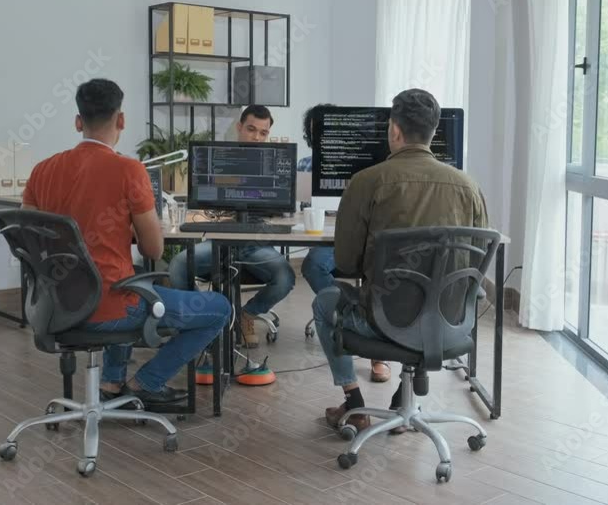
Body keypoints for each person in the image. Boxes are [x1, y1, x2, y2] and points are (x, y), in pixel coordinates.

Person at [22, 78, 231, 405]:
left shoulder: (41, 171)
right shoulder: (128, 170)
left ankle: (111, 383)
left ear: (78, 122)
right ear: (121, 120)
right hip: (109, 309)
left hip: (53, 308)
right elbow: (154, 249)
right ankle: (147, 382)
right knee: (219, 308)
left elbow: (30, 239)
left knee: (127, 276)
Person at [313, 89, 489, 432]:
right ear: (434, 132)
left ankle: (355, 404)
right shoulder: (469, 188)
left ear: (394, 130)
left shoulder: (366, 182)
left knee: (324, 302)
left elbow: (346, 262)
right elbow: (475, 265)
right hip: (448, 322)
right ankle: (401, 401)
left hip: (382, 322)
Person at [168, 105, 296, 349]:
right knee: (178, 265)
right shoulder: (218, 157)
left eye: (263, 133)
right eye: (251, 129)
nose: (256, 137)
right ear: (239, 127)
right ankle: (201, 319)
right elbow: (200, 206)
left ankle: (247, 315)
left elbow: (286, 210)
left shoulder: (275, 160)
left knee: (285, 277)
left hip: (255, 244)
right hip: (220, 240)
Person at [298, 103, 391, 383]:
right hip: (329, 236)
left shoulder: (370, 167)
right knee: (313, 265)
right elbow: (297, 209)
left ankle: (378, 351)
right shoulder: (304, 166)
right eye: (317, 130)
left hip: (366, 235)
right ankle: (346, 316)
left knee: (379, 265)